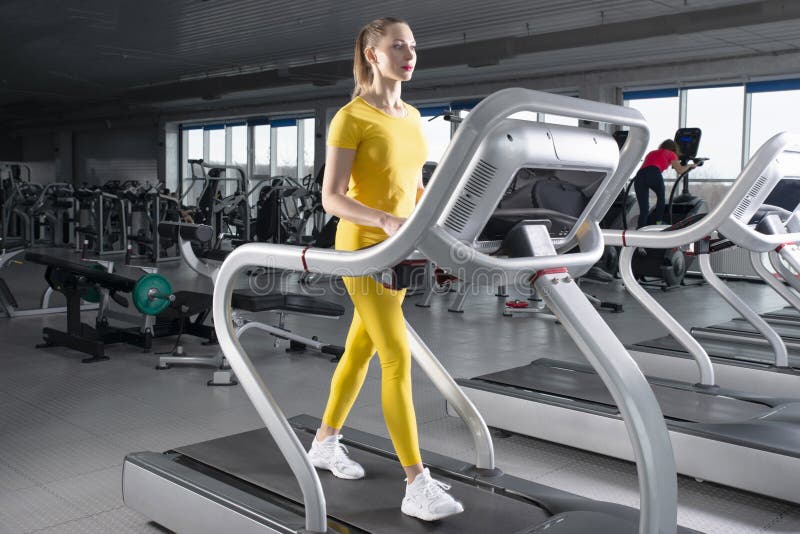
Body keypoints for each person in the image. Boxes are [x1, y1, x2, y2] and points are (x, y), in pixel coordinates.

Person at [306, 17, 464, 521]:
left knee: (360, 348)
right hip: (362, 247)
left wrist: (435, 228)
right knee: (396, 356)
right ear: (372, 55)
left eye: (413, 45)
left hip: (401, 247)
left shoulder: (413, 116)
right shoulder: (350, 117)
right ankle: (416, 482)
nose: (409, 53)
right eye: (398, 46)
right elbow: (331, 198)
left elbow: (413, 187)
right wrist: (385, 221)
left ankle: (325, 442)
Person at [633, 139, 695, 228]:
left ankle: (640, 229)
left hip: (639, 176)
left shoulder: (652, 152)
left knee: (644, 208)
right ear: (674, 148)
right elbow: (680, 170)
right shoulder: (672, 154)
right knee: (661, 198)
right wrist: (690, 166)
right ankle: (658, 223)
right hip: (653, 173)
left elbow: (656, 162)